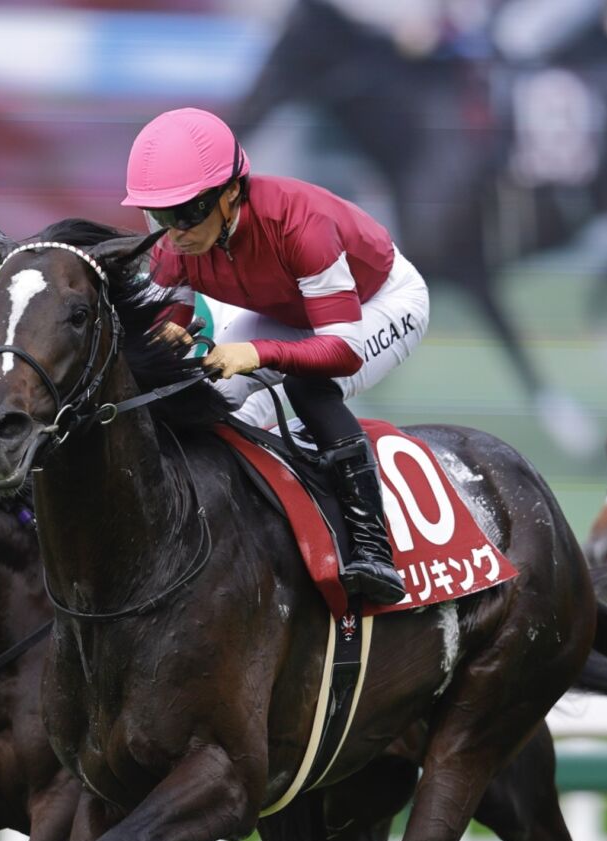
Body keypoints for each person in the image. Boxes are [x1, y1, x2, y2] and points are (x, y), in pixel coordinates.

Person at [122, 107, 431, 607]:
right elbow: (166, 328)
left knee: (306, 384)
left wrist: (254, 353)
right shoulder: (175, 246)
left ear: (230, 194)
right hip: (289, 311)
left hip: (378, 305)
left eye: (186, 213)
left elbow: (343, 351)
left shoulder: (300, 224)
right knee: (197, 394)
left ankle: (374, 548)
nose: (175, 232)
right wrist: (168, 339)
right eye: (160, 216)